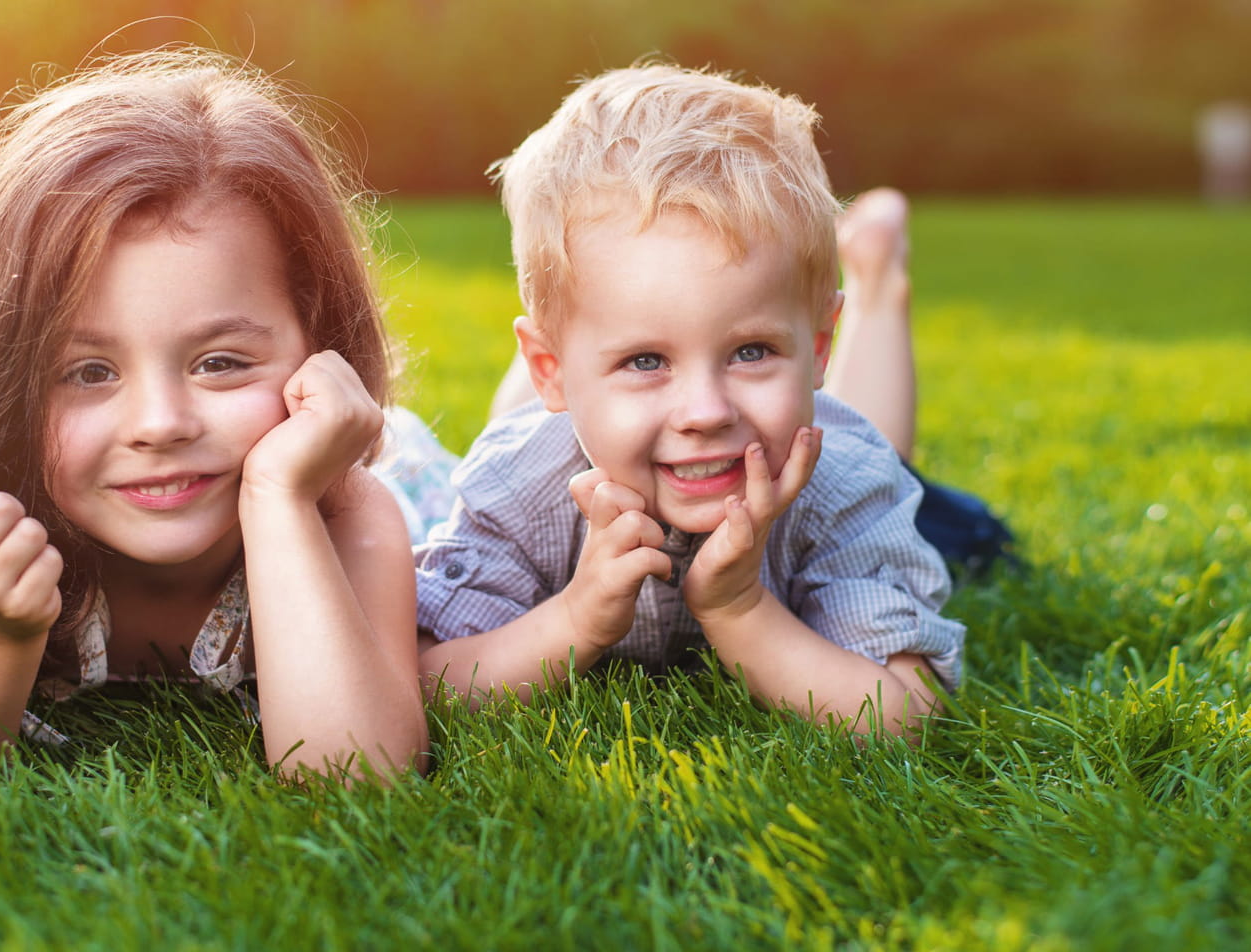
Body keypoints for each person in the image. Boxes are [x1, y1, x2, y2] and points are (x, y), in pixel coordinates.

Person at [0, 47, 427, 779]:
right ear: (0, 382)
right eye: (88, 373)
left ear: (321, 347)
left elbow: (359, 774)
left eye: (219, 363)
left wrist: (280, 499)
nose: (159, 423)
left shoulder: (347, 517)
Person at [413, 63, 971, 737]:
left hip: (815, 444)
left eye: (751, 351)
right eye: (646, 359)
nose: (705, 411)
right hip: (555, 439)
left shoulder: (847, 484)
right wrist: (573, 618)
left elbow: (906, 716)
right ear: (548, 369)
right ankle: (592, 351)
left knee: (875, 441)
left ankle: (877, 283)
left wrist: (739, 609)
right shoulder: (517, 486)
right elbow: (427, 682)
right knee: (528, 434)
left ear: (820, 346)